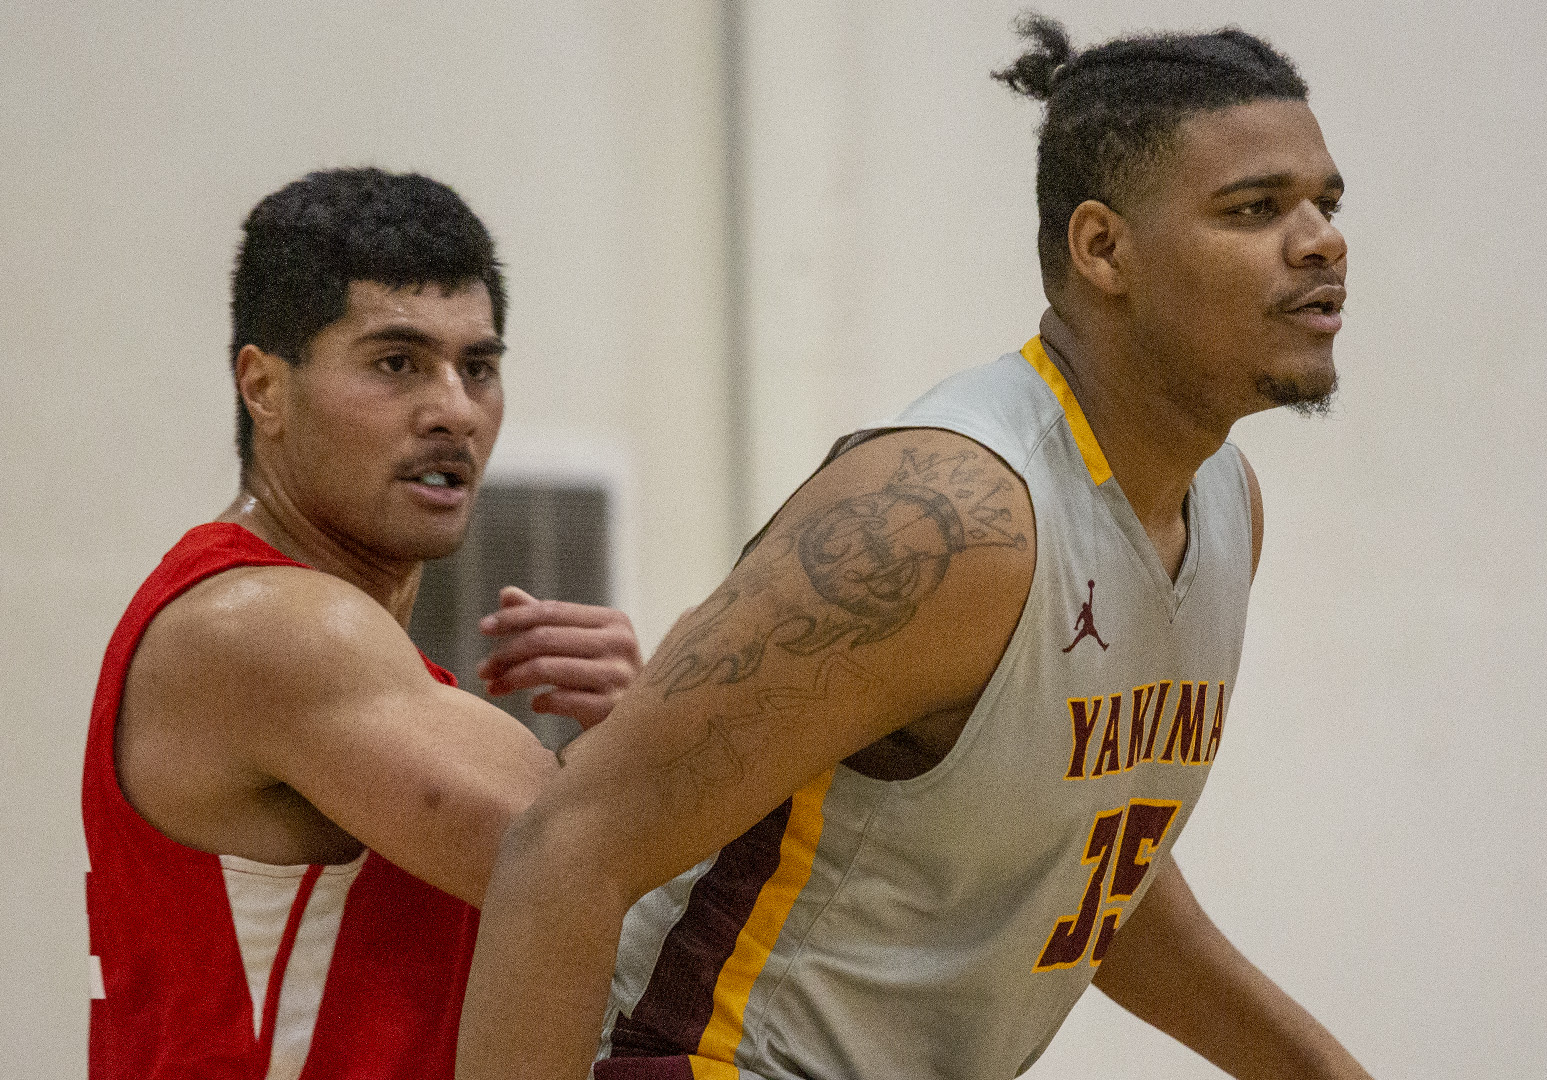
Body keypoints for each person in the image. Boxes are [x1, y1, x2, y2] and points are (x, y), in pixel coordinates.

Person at [459, 16, 1372, 1080]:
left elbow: (1079, 868)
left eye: (1326, 203)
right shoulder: (951, 518)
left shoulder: (1224, 505)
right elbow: (562, 851)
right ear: (1103, 249)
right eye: (1256, 209)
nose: (1320, 240)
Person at [83, 168, 644, 1080]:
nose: (454, 412)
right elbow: (582, 881)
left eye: (479, 368)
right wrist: (660, 717)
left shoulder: (340, 650)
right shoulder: (268, 628)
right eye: (397, 363)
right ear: (263, 387)